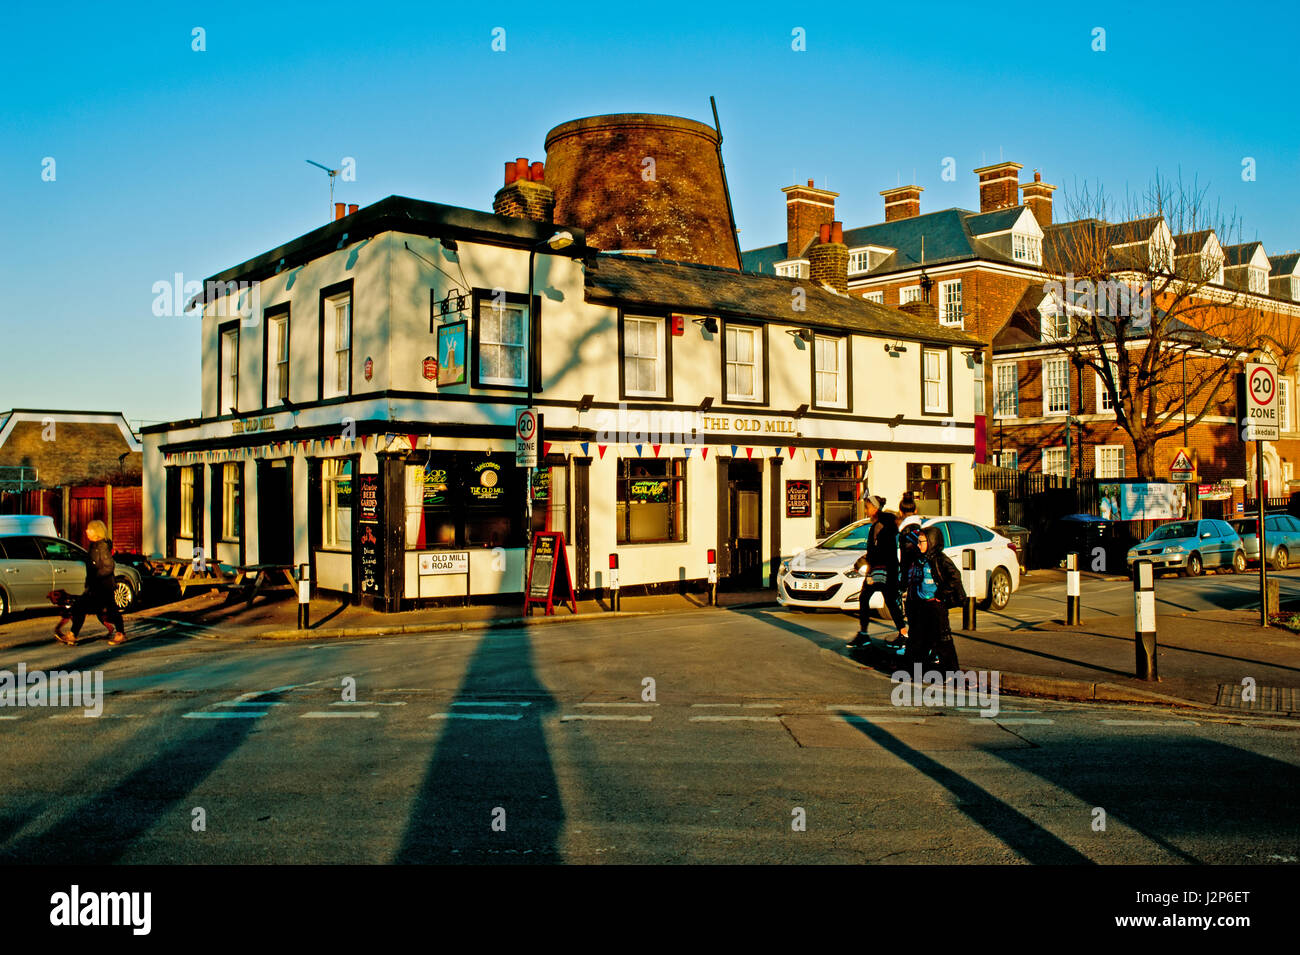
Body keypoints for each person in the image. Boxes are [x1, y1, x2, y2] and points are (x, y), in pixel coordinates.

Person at [847, 495, 907, 647]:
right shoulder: (885, 523)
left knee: (877, 599)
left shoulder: (880, 526)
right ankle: (899, 633)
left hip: (881, 570)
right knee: (883, 600)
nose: (865, 511)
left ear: (874, 508)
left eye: (867, 508)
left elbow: (879, 549)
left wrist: (866, 562)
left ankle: (867, 634)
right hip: (887, 569)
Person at [55, 520, 125, 647]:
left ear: (96, 532)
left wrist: (96, 576)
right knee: (80, 608)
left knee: (109, 610)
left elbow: (109, 566)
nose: (86, 531)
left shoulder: (101, 547)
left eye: (89, 529)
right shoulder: (94, 546)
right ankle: (72, 634)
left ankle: (120, 633)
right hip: (96, 586)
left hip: (103, 586)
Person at [903, 525, 964, 672]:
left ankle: (952, 673)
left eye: (921, 542)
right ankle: (916, 672)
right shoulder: (919, 560)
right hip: (920, 605)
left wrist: (941, 595)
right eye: (917, 542)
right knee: (917, 640)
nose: (918, 545)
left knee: (943, 640)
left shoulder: (940, 560)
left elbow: (954, 577)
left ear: (931, 542)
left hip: (935, 606)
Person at [897, 492, 924, 583]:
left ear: (901, 512)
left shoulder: (904, 532)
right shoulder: (922, 530)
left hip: (910, 576)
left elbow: (905, 559)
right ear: (915, 510)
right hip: (921, 575)